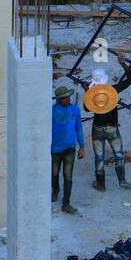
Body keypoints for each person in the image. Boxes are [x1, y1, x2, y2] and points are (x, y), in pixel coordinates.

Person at [88, 57, 131, 192]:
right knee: (119, 154)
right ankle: (122, 181)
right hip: (112, 128)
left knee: (99, 157)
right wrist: (123, 64)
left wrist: (88, 91)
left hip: (97, 128)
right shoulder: (113, 90)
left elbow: (86, 108)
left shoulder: (92, 94)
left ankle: (101, 185)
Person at [51, 84, 85, 214]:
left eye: (68, 97)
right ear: (59, 99)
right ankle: (56, 189)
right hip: (55, 149)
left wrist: (81, 146)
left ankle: (66, 203)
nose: (68, 99)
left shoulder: (75, 110)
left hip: (70, 148)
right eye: (65, 98)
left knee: (68, 176)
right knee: (54, 174)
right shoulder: (52, 111)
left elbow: (79, 128)